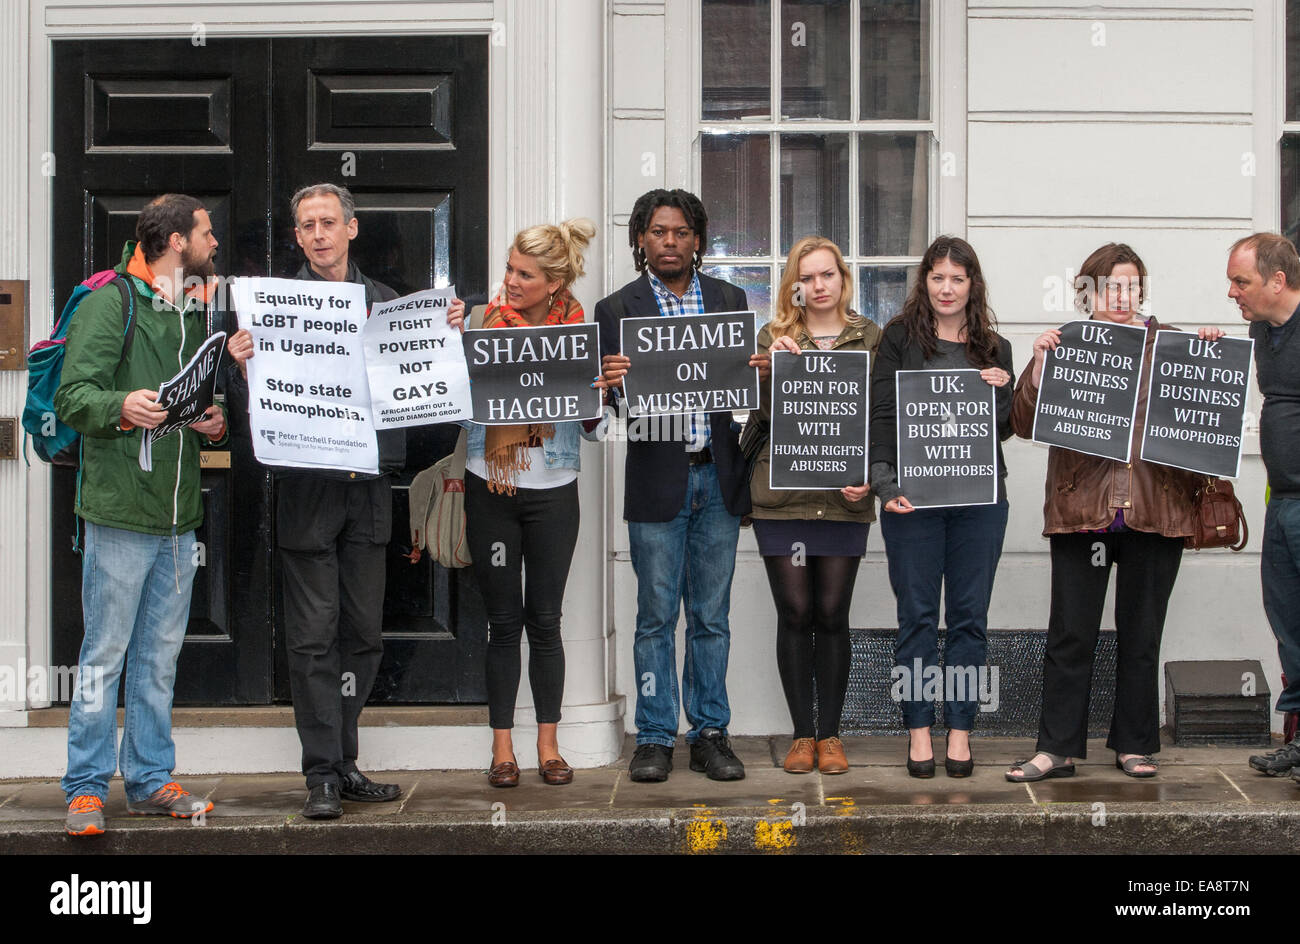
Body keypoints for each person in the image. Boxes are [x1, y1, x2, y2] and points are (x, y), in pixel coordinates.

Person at [227, 182, 464, 819]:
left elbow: (430, 385)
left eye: (329, 222)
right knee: (310, 640)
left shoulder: (388, 304)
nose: (319, 234)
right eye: (307, 226)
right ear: (298, 237)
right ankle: (321, 775)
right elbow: (245, 407)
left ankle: (345, 758)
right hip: (306, 488)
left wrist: (443, 335)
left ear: (351, 229)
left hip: (368, 490)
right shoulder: (271, 307)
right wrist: (240, 363)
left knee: (362, 635)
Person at [1005, 243, 1217, 783]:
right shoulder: (1066, 345)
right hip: (1084, 513)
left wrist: (1210, 355)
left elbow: (1206, 419)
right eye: (1108, 286)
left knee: (1141, 635)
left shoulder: (1170, 346)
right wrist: (1039, 365)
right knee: (1070, 634)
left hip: (1155, 512)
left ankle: (1135, 744)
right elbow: (1024, 423)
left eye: (1130, 285)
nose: (1121, 296)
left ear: (1141, 290)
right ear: (1088, 293)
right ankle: (1056, 749)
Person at [57, 193, 226, 836]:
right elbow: (76, 396)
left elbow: (196, 400)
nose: (214, 241)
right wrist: (121, 404)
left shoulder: (192, 310)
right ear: (177, 241)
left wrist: (214, 423)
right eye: (207, 232)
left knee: (158, 658)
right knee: (104, 654)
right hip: (120, 511)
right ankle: (85, 789)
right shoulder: (111, 303)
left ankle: (151, 780)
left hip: (179, 519)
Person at [595, 188, 762, 782]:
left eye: (682, 232)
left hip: (717, 478)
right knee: (655, 617)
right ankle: (656, 735)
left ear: (698, 239)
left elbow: (745, 400)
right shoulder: (616, 310)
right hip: (655, 482)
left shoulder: (729, 299)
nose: (670, 241)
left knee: (711, 616)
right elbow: (605, 416)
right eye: (659, 231)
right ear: (640, 238)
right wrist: (606, 383)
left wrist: (758, 376)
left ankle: (711, 732)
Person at [869, 235, 1013, 778]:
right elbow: (881, 416)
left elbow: (1003, 429)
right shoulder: (899, 338)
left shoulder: (995, 348)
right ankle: (918, 731)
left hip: (980, 502)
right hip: (912, 502)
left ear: (972, 284)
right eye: (937, 277)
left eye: (957, 278)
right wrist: (886, 486)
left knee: (971, 620)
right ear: (923, 282)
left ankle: (960, 730)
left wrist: (1002, 389)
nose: (946, 287)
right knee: (917, 621)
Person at [465, 219, 603, 788]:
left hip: (553, 492)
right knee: (502, 623)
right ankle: (502, 750)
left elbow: (594, 427)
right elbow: (442, 393)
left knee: (546, 622)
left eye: (525, 274)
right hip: (489, 487)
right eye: (510, 269)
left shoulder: (579, 332)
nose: (511, 281)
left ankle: (549, 745)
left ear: (553, 282)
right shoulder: (478, 321)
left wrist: (601, 388)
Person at [748, 237, 881, 774]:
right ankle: (802, 735)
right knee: (794, 612)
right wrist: (767, 373)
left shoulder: (872, 338)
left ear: (843, 279)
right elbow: (753, 418)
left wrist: (872, 476)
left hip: (844, 498)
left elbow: (885, 417)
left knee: (832, 613)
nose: (819, 285)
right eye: (808, 277)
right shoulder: (773, 336)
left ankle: (832, 735)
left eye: (828, 274)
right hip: (782, 500)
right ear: (795, 285)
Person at [1226, 234, 1300, 779]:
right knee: (1289, 626)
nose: (1233, 292)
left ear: (1278, 281)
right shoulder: (1260, 330)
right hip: (1282, 501)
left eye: (1241, 282)